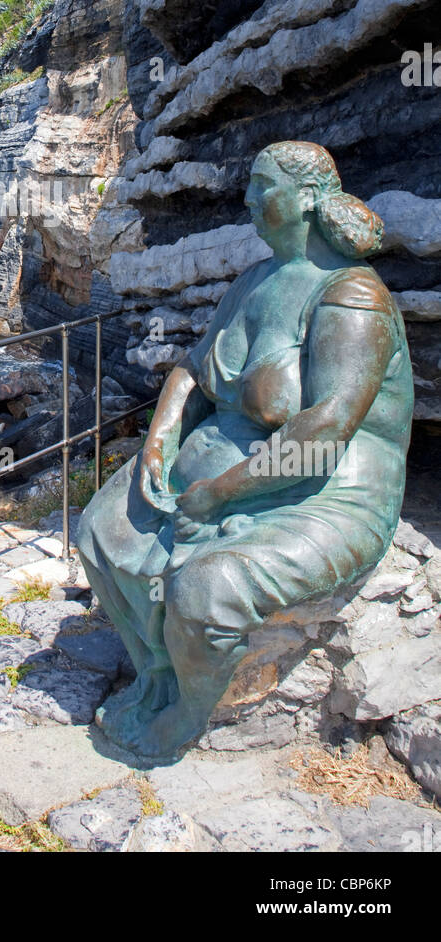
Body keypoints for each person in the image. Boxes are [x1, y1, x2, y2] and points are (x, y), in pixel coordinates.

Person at [78, 142, 413, 763]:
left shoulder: (351, 297)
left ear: (309, 198)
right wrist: (161, 434)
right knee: (100, 527)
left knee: (209, 589)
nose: (250, 201)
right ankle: (157, 671)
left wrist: (217, 494)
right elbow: (195, 369)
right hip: (217, 468)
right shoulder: (255, 281)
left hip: (324, 491)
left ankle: (185, 711)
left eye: (264, 188)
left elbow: (326, 430)